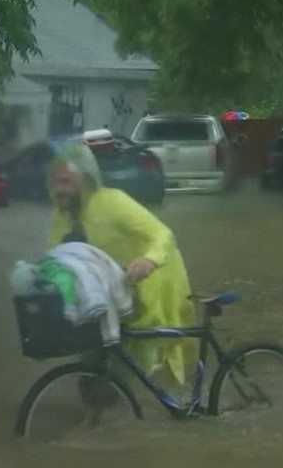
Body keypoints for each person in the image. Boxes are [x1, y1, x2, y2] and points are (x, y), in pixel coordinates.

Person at [46, 142, 197, 399]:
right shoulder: (62, 215)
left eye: (66, 182)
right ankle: (100, 408)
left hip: (150, 282)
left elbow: (163, 234)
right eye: (55, 183)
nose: (60, 190)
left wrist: (149, 261)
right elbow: (55, 255)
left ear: (84, 180)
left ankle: (132, 406)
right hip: (108, 291)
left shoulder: (113, 202)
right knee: (93, 348)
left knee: (136, 356)